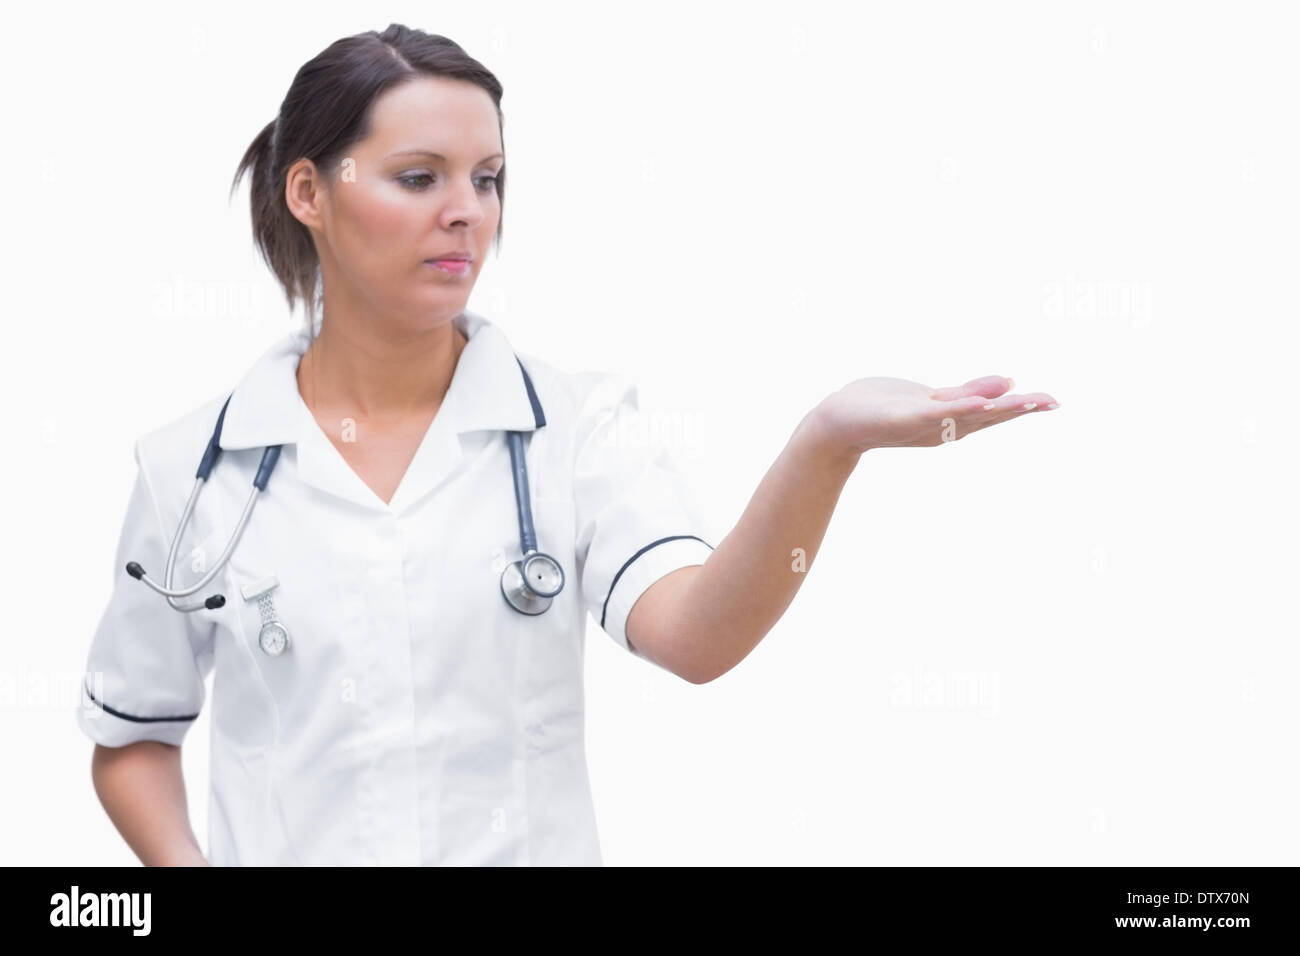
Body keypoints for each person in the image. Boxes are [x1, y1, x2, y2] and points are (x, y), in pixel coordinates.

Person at [76, 23, 1059, 867]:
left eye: (487, 178)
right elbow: (131, 736)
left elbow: (699, 636)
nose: (468, 210)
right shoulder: (193, 469)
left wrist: (826, 443)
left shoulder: (575, 428)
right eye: (419, 177)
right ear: (308, 191)